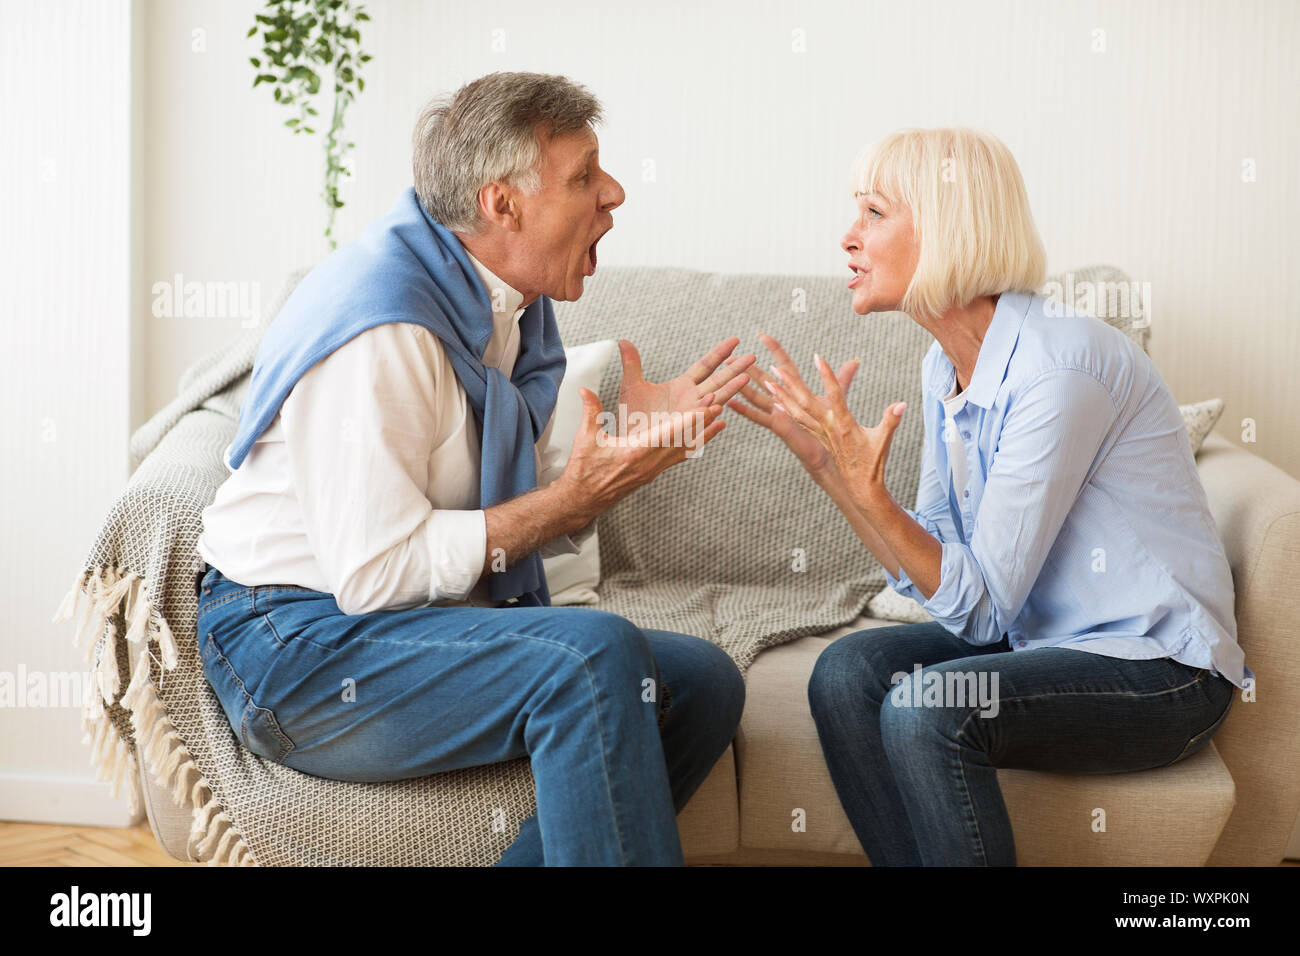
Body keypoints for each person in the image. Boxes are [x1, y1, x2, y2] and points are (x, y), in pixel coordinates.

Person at [194, 72, 754, 866]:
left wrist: (626, 444)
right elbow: (377, 571)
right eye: (585, 176)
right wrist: (568, 503)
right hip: (295, 644)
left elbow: (511, 480)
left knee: (703, 682)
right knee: (593, 660)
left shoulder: (505, 307)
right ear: (502, 204)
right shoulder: (383, 329)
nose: (615, 192)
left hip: (376, 617)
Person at [728, 126, 1253, 866]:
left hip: (1158, 672)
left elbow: (980, 608)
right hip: (1041, 638)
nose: (848, 237)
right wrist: (831, 469)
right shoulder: (943, 367)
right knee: (846, 676)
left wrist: (870, 492)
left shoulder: (1056, 369)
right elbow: (944, 574)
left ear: (945, 230)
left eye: (873, 213)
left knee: (924, 708)